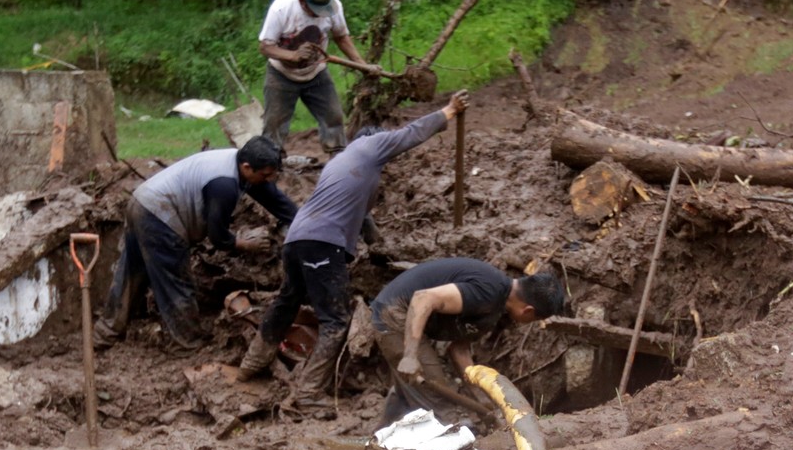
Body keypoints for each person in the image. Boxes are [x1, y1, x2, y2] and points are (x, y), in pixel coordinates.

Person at [237, 92, 469, 414]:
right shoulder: (368, 147)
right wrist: (449, 111)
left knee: (287, 302)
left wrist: (381, 250)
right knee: (336, 318)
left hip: (298, 240)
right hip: (321, 243)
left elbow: (363, 219)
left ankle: (252, 364)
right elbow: (410, 135)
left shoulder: (344, 166)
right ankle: (308, 394)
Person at [107, 136, 296, 344]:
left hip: (142, 201)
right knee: (175, 281)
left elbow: (277, 201)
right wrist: (244, 244)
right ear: (247, 167)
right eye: (265, 175)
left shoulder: (239, 165)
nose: (269, 180)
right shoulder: (224, 185)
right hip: (160, 215)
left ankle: (107, 330)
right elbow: (217, 236)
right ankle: (190, 340)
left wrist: (304, 222)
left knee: (133, 270)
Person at [369, 257, 568, 428]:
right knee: (437, 399)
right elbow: (423, 299)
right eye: (532, 321)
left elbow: (459, 351)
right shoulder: (488, 290)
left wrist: (481, 398)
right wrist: (410, 355)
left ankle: (373, 445)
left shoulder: (496, 306)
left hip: (401, 315)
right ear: (528, 311)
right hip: (394, 312)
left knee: (409, 394)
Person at [257, 0, 375, 152]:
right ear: (302, 1)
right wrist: (293, 56)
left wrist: (363, 65)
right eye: (315, 8)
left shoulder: (333, 7)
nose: (321, 14)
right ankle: (271, 166)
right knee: (274, 126)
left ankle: (338, 161)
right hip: (281, 74)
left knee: (334, 118)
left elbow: (341, 37)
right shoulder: (282, 8)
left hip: (316, 73)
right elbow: (265, 47)